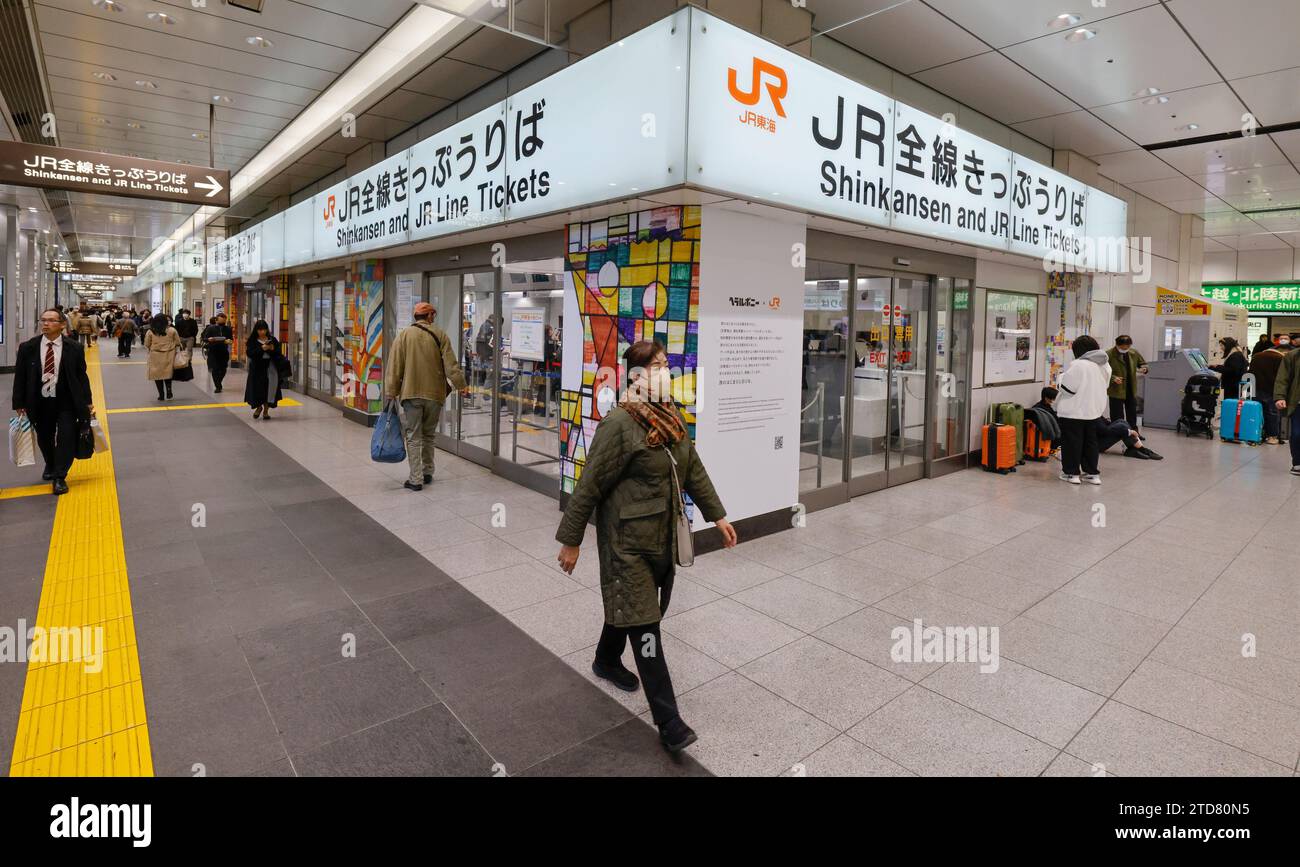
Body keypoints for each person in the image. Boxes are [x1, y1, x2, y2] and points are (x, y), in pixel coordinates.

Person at [555, 340, 737, 754]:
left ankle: (605, 658)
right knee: (646, 625)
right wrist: (571, 539)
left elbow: (693, 469)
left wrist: (719, 516)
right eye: (656, 366)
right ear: (635, 376)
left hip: (659, 538)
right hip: (625, 542)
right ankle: (669, 720)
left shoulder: (670, 416)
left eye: (665, 364)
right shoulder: (620, 423)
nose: (665, 372)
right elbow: (590, 484)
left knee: (632, 606)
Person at [384, 301, 468, 491]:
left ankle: (416, 479)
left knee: (413, 436)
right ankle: (428, 471)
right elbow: (451, 366)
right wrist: (461, 385)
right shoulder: (440, 335)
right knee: (429, 435)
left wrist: (391, 391)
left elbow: (394, 366)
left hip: (411, 393)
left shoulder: (403, 335)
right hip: (434, 394)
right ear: (429, 316)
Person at [11, 309, 93, 495]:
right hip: (39, 401)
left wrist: (87, 401)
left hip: (66, 400)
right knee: (44, 437)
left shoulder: (74, 348)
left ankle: (59, 476)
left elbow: (82, 377)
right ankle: (50, 462)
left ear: (62, 324)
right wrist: (18, 403)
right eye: (43, 320)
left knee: (66, 437)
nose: (46, 324)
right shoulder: (28, 347)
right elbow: (20, 377)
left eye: (51, 321)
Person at [1054, 334, 1110, 485]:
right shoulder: (1104, 365)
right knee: (1090, 442)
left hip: (1074, 411)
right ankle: (1092, 473)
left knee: (1072, 442)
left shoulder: (1079, 365)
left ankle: (1071, 473)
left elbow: (1068, 389)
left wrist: (1060, 378)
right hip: (1093, 411)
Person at [1248, 338, 1288, 444]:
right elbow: (1283, 377)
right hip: (1272, 391)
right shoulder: (1280, 358)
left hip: (1256, 389)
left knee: (1257, 412)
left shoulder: (1256, 356)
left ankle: (1257, 433)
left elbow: (1250, 373)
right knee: (1272, 413)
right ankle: (1272, 436)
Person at [1106, 335, 1147, 434]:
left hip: (1130, 388)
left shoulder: (1134, 353)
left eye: (1127, 347)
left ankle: (1134, 434)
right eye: (1122, 348)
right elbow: (1102, 371)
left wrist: (1144, 368)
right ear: (1117, 345)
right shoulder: (1108, 354)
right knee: (1117, 415)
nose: (1125, 350)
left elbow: (1142, 363)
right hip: (1116, 389)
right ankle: (1117, 434)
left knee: (1132, 414)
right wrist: (1113, 378)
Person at [244, 320, 283, 419]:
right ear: (256, 330)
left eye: (264, 330)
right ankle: (258, 407)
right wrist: (262, 348)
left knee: (269, 389)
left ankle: (266, 410)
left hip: (270, 368)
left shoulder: (272, 339)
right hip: (257, 369)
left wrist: (272, 349)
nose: (262, 332)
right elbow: (250, 354)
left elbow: (278, 352)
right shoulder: (252, 340)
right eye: (260, 330)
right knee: (257, 389)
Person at [1274, 341, 1300, 475]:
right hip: (1297, 403)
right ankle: (1297, 463)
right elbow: (1282, 379)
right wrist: (1279, 397)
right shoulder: (1292, 356)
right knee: (1296, 433)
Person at [143, 313, 180, 401]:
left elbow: (147, 344)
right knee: (167, 373)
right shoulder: (172, 330)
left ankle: (161, 394)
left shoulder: (151, 331)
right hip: (169, 354)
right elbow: (177, 342)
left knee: (157, 375)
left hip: (155, 355)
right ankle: (169, 390)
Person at [201, 313, 233, 393]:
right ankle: (218, 386)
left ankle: (219, 381)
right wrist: (209, 339)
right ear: (216, 320)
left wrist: (229, 341)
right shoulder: (210, 328)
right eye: (220, 320)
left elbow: (230, 339)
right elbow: (204, 338)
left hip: (223, 351)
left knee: (223, 369)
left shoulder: (228, 329)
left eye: (224, 321)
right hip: (213, 351)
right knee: (215, 369)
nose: (222, 322)